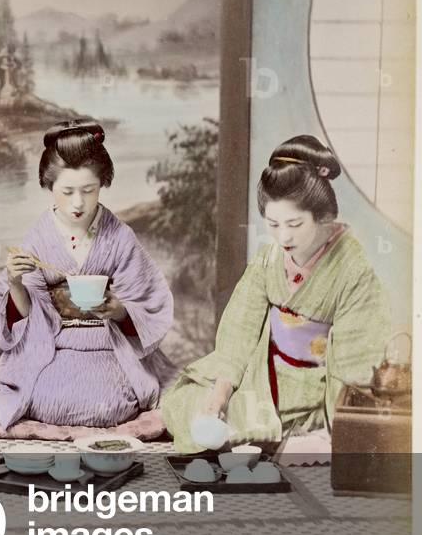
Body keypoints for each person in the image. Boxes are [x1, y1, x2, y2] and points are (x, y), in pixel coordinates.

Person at [161, 135, 393, 453]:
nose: (283, 236)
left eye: (295, 224)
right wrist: (222, 390)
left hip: (314, 384)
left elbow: (355, 360)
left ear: (322, 216)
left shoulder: (353, 270)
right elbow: (241, 329)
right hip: (264, 369)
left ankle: (300, 429)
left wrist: (337, 423)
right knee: (186, 399)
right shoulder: (269, 258)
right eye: (273, 224)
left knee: (237, 422)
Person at [0, 118, 175, 429]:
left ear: (102, 184)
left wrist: (120, 310)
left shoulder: (119, 236)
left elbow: (147, 298)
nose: (78, 203)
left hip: (108, 344)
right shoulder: (38, 238)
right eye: (67, 191)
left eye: (89, 190)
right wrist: (16, 283)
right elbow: (28, 315)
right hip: (53, 345)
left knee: (109, 405)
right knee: (45, 399)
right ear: (49, 187)